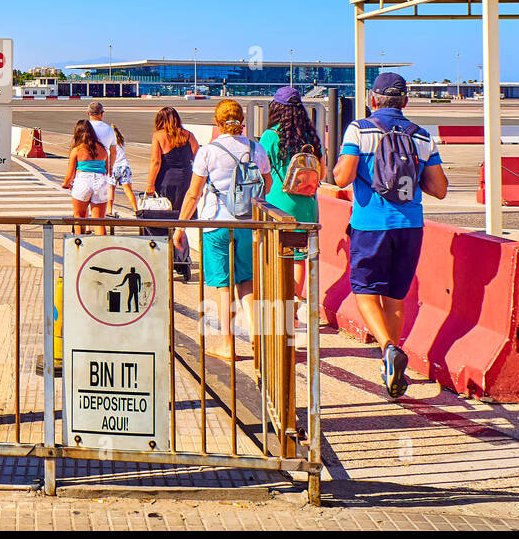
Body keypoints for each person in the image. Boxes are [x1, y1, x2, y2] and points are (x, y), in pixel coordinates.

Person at [332, 72, 447, 399]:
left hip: (371, 225)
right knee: (396, 296)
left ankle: (387, 348)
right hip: (410, 226)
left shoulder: (360, 129)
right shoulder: (422, 136)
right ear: (406, 102)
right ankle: (389, 366)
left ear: (372, 99)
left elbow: (342, 178)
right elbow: (439, 189)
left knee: (365, 290)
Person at [174, 99, 271, 360]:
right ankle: (256, 337)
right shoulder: (256, 148)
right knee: (248, 283)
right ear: (241, 122)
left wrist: (181, 227)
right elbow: (267, 183)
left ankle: (227, 344)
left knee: (223, 285)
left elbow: (193, 194)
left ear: (217, 123)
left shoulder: (209, 152)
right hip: (247, 224)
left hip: (215, 223)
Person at [259, 87, 324, 332]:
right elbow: (322, 173)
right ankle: (293, 309)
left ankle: (280, 312)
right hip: (306, 205)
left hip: (278, 205)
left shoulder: (270, 137)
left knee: (275, 257)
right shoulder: (311, 137)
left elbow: (262, 170)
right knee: (299, 259)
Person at [146, 106, 200, 211]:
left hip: (166, 179)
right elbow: (198, 158)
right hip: (186, 179)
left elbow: (155, 161)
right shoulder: (189, 135)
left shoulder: (158, 136)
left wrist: (150, 183)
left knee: (165, 211)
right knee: (184, 211)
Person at [62, 119, 110, 234]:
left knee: (79, 218)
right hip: (101, 181)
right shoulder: (103, 149)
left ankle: (80, 246)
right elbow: (107, 170)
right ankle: (103, 248)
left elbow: (70, 175)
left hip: (83, 181)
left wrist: (65, 184)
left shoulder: (77, 149)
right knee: (99, 220)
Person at [107, 127, 140, 218]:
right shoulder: (121, 143)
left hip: (113, 167)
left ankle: (109, 210)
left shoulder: (109, 143)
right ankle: (136, 210)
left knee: (111, 189)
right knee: (128, 190)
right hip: (125, 166)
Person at [87, 101, 118, 176]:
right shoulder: (109, 129)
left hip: (84, 167)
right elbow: (113, 152)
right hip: (102, 168)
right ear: (102, 113)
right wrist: (111, 168)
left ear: (88, 113)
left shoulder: (84, 128)